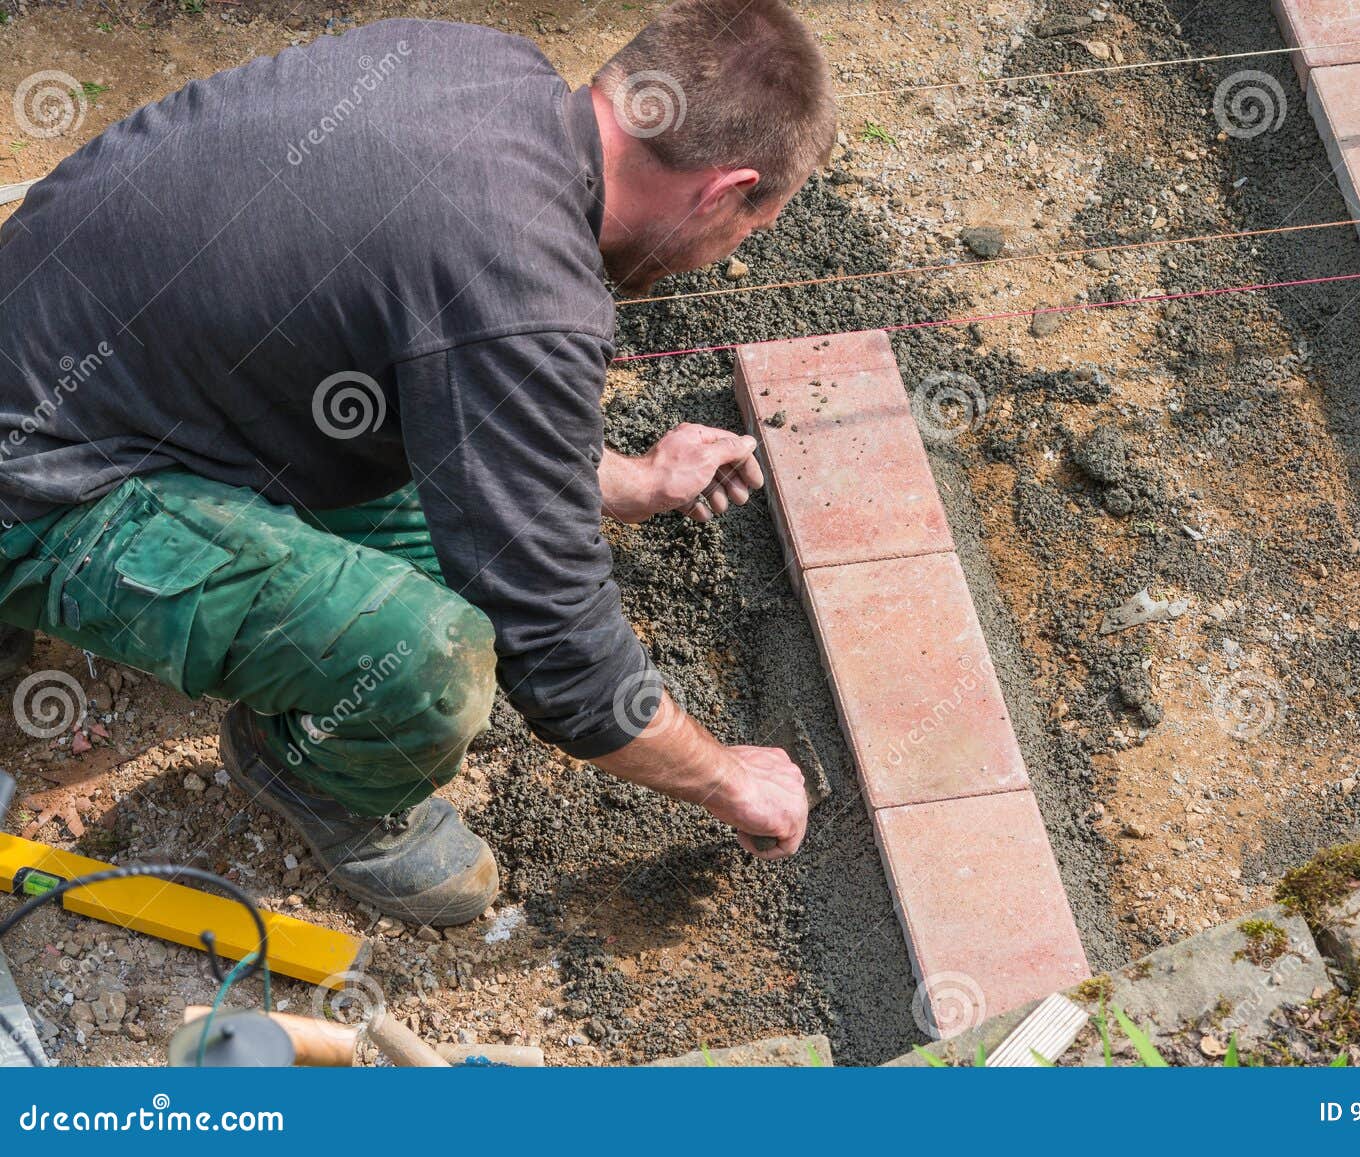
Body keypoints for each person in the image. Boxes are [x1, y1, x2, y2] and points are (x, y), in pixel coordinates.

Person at [0, 0, 837, 925]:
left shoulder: (473, 61)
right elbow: (559, 652)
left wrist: (633, 481)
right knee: (427, 659)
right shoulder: (526, 281)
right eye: (742, 234)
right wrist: (727, 778)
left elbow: (465, 378)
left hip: (81, 351)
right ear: (726, 190)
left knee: (431, 498)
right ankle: (316, 776)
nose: (720, 259)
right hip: (41, 486)